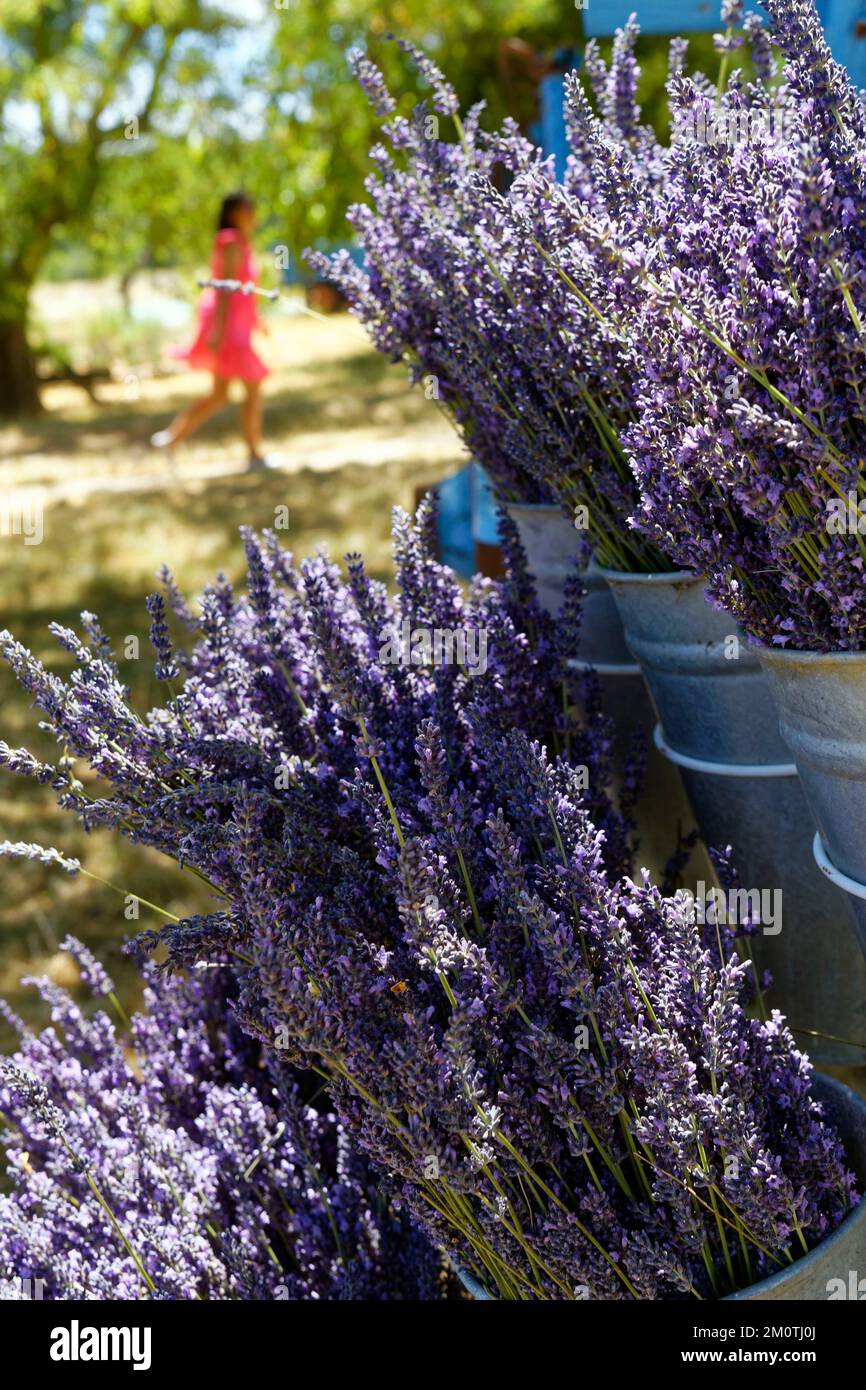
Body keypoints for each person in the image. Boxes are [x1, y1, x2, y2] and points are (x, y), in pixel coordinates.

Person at [151, 191, 271, 470]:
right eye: (246, 208)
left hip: (237, 326)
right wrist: (217, 329)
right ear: (232, 212)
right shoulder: (230, 241)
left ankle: (172, 438)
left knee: (220, 395)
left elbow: (247, 290)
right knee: (251, 390)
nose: (252, 212)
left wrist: (258, 319)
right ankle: (254, 455)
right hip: (229, 328)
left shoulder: (243, 243)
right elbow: (225, 289)